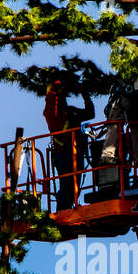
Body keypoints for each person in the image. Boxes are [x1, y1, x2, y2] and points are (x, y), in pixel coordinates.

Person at [43, 80, 95, 210]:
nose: (63, 99)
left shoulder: (70, 111)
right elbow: (50, 102)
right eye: (60, 96)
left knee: (74, 184)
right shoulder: (52, 114)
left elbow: (90, 114)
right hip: (64, 154)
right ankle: (62, 209)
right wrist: (57, 85)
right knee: (67, 184)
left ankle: (69, 206)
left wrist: (85, 95)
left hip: (77, 152)